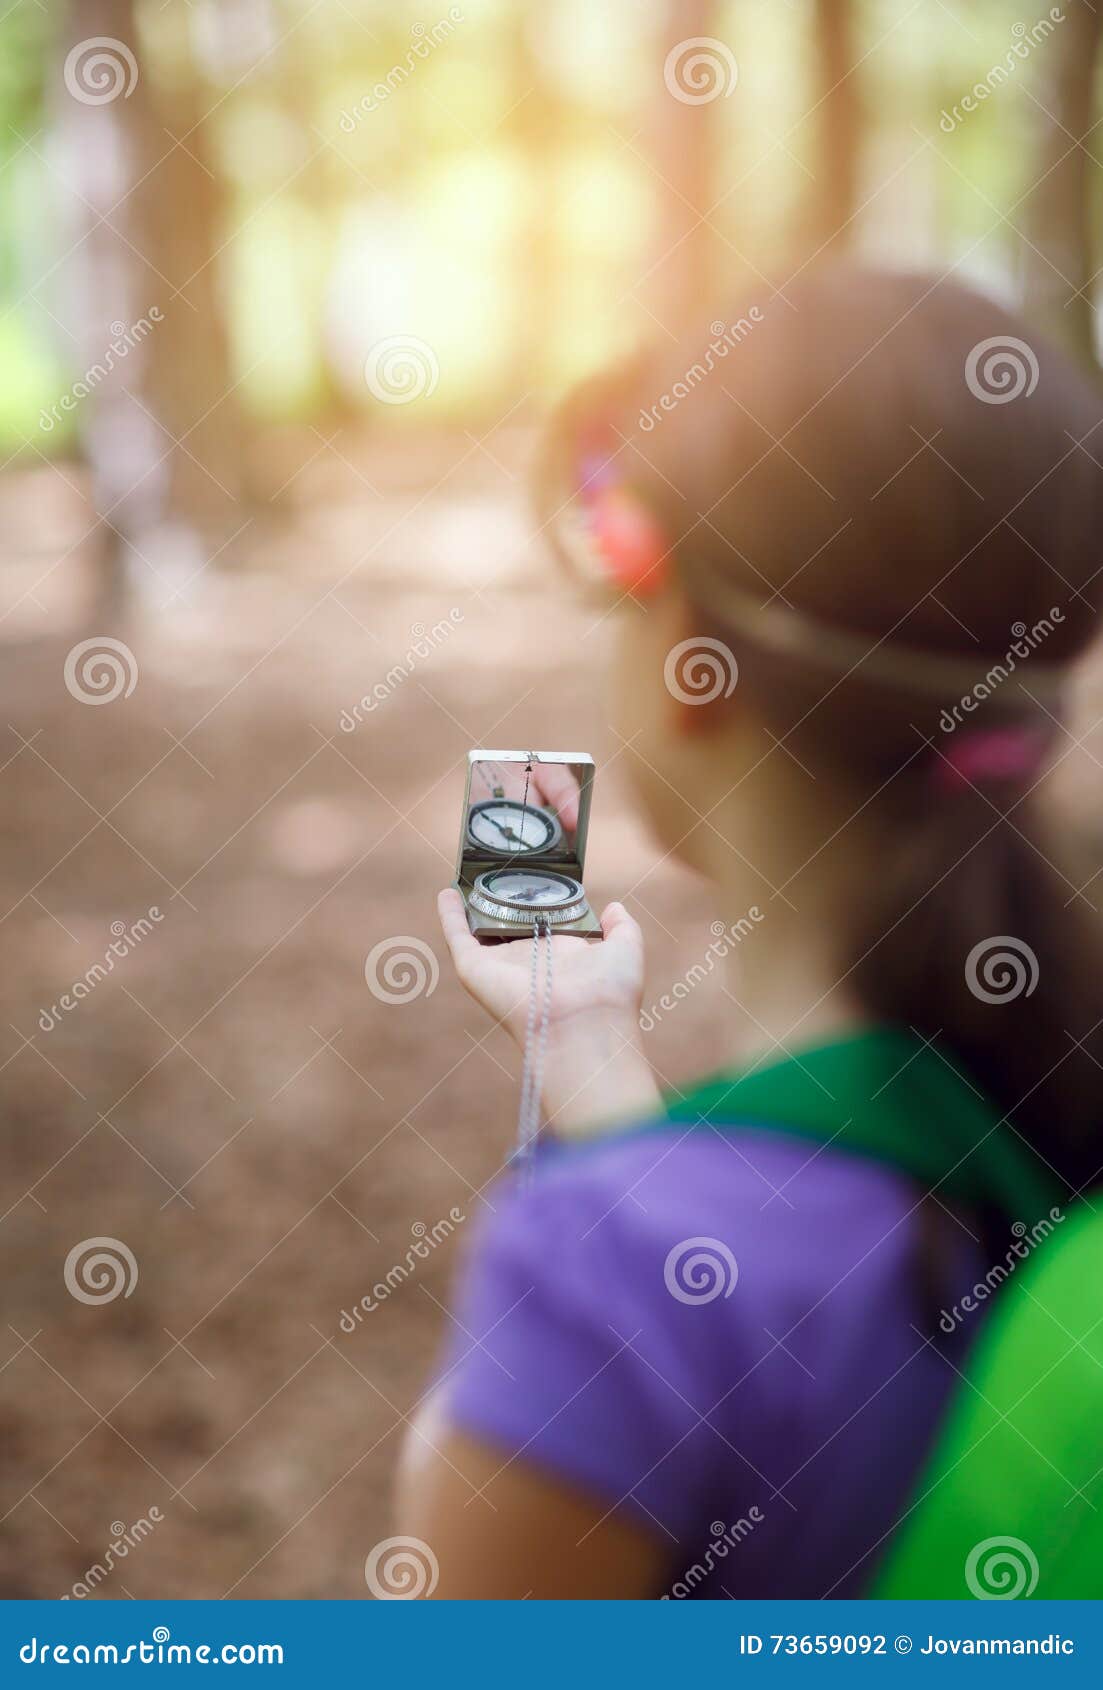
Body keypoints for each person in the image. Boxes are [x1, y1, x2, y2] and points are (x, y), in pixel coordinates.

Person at [399, 267, 1103, 1598]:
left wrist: (456, 1452)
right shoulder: (1040, 1124)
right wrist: (587, 1051)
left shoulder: (601, 1270)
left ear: (689, 664)